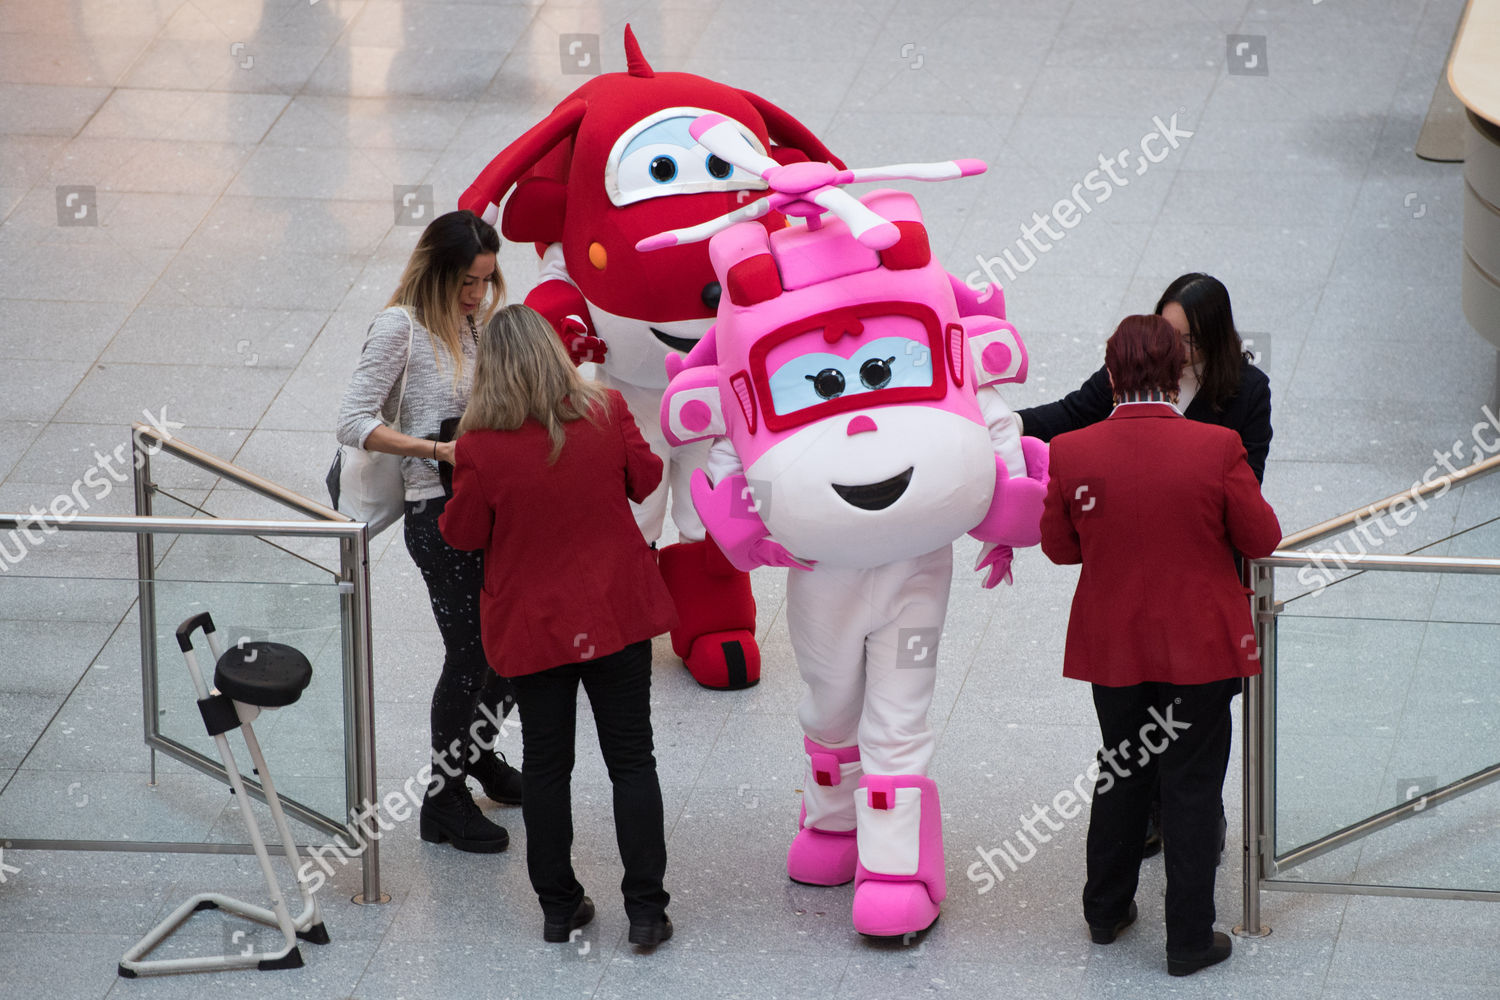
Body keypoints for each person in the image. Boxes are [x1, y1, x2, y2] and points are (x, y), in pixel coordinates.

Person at [1040, 314, 1282, 977]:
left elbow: (1060, 548)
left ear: (1112, 374)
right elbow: (1262, 538)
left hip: (1114, 645)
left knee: (1121, 767)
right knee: (1193, 786)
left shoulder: (1072, 451)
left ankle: (1105, 911)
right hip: (1201, 647)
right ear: (1178, 373)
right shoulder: (1218, 447)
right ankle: (1188, 940)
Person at [439, 304, 677, 947]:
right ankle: (647, 911)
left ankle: (557, 904)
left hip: (534, 629)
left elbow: (462, 535)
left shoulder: (479, 446)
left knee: (547, 766)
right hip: (616, 615)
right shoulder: (605, 411)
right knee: (632, 760)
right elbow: (648, 478)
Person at [1017, 272, 1270, 855]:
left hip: (1201, 561)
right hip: (1141, 573)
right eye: (1166, 330)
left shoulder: (1245, 392)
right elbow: (1071, 413)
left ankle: (1169, 829)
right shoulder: (1134, 370)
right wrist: (1012, 425)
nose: (1171, 348)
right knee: (1142, 734)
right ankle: (1161, 817)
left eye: (1185, 339)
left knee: (1184, 729)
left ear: (1210, 341)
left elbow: (1249, 494)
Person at [336, 210, 522, 855]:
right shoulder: (401, 328)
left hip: (494, 503)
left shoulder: (479, 323)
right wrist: (434, 451)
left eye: (486, 281)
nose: (477, 294)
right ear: (436, 271)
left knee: (512, 648)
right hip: (436, 509)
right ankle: (444, 799)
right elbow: (353, 420)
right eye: (467, 281)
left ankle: (478, 755)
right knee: (471, 655)